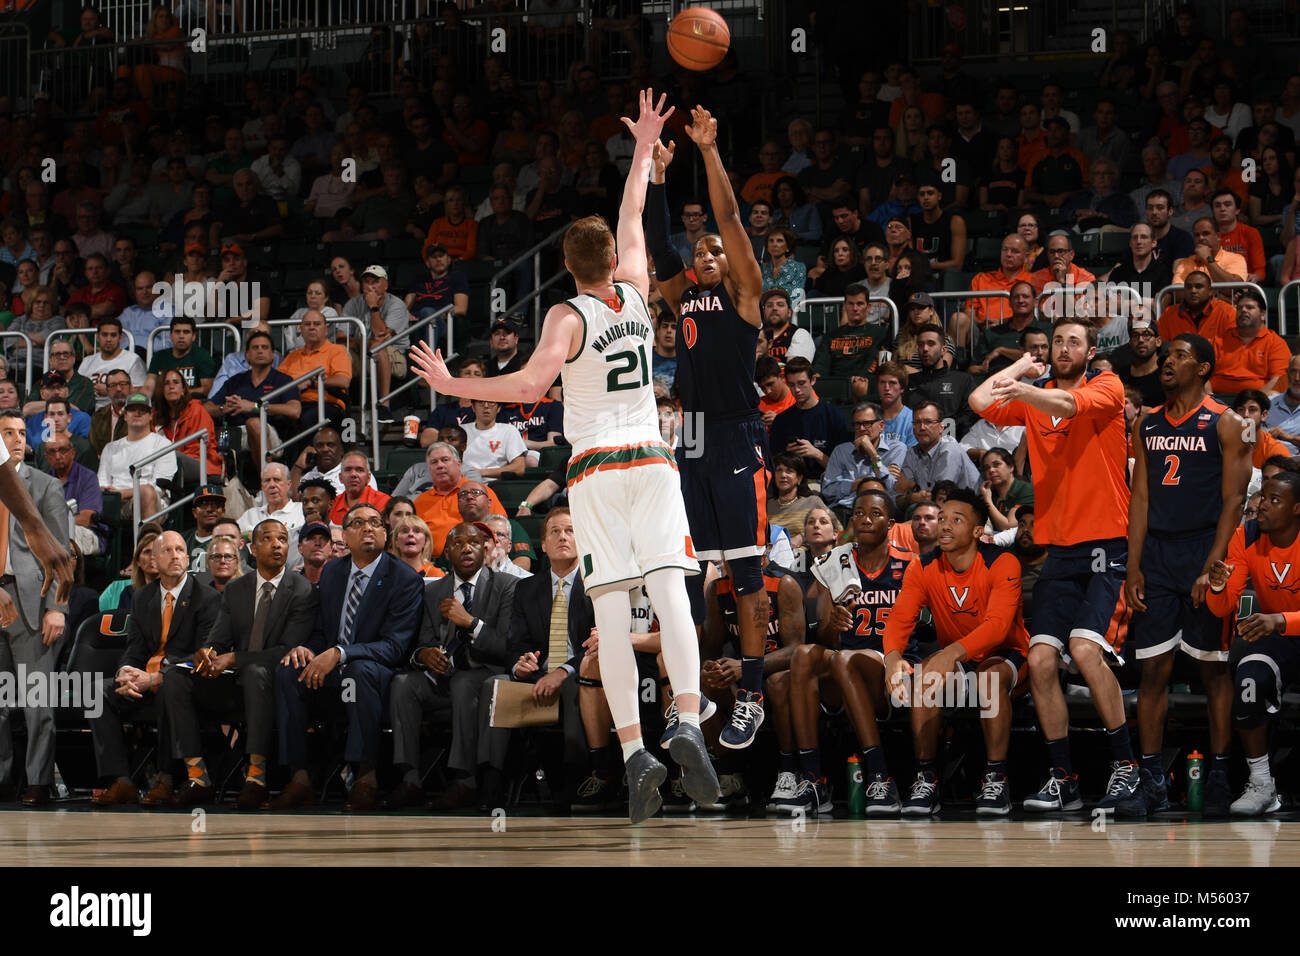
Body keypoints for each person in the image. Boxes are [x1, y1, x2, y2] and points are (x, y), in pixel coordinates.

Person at [411, 90, 720, 819]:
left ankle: (635, 748)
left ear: (564, 266)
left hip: (591, 472)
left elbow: (529, 382)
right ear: (612, 260)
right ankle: (686, 716)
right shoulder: (640, 295)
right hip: (650, 458)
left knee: (609, 610)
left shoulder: (564, 313)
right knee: (672, 590)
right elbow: (634, 218)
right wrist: (642, 149)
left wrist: (453, 380)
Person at [971, 319, 1139, 814]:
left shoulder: (1105, 386)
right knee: (1042, 661)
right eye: (1057, 342)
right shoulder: (1033, 391)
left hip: (1108, 545)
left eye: (1074, 342)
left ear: (1089, 352)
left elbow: (1065, 405)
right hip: (1059, 549)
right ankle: (1062, 777)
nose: (1065, 349)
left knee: (1085, 652)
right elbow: (980, 403)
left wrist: (1025, 386)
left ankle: (1126, 770)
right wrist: (1023, 365)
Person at [1126, 333, 1251, 816]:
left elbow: (1234, 501)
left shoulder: (1228, 423)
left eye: (1181, 356)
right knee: (1153, 669)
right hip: (1156, 553)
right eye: (1167, 355)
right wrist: (1134, 565)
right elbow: (1139, 499)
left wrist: (1212, 566)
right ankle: (1152, 780)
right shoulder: (1147, 422)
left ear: (1204, 368)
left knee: (1214, 668)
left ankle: (1219, 775)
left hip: (1205, 549)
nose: (1168, 362)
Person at [883, 488, 1031, 816]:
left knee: (989, 676)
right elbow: (899, 619)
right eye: (943, 518)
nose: (945, 526)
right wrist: (892, 659)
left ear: (978, 531)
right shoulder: (922, 567)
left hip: (1009, 656)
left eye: (957, 520)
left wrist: (948, 655)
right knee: (923, 677)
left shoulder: (1003, 562)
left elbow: (997, 627)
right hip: (963, 660)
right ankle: (926, 778)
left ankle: (996, 778)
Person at [269, 503, 424, 811]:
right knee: (288, 670)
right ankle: (299, 778)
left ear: (385, 533)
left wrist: (341, 653)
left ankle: (366, 777)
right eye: (358, 523)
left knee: (358, 673)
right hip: (332, 669)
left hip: (378, 671)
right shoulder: (333, 572)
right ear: (346, 535)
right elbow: (320, 631)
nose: (368, 528)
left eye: (375, 523)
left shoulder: (403, 578)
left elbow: (394, 647)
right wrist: (306, 649)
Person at [772, 490, 911, 814]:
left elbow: (924, 628)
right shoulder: (835, 561)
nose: (864, 519)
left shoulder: (909, 564)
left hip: (890, 670)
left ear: (890, 523)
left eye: (874, 514)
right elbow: (824, 636)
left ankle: (881, 777)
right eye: (858, 513)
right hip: (843, 667)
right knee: (805, 653)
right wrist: (832, 622)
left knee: (846, 659)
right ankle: (813, 781)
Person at [179, 519, 320, 810]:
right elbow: (219, 639)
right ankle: (196, 774)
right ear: (253, 549)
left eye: (282, 539)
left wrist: (235, 658)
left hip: (272, 679)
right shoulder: (236, 589)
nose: (277, 544)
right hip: (234, 678)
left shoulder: (303, 590)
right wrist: (207, 652)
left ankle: (256, 777)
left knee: (256, 672)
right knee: (174, 678)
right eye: (268, 539)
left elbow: (287, 650)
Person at [387, 521, 517, 810]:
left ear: (485, 549)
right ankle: (410, 779)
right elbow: (420, 643)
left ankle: (465, 780)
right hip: (440, 678)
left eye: (473, 542)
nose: (467, 548)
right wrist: (424, 655)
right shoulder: (433, 592)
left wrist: (471, 623)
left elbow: (507, 648)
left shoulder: (507, 586)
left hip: (484, 677)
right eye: (458, 544)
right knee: (403, 684)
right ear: (447, 552)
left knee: (464, 683)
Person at [89, 532, 223, 806]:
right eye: (167, 551)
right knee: (97, 691)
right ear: (153, 559)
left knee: (169, 684)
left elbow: (203, 652)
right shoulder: (142, 597)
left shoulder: (207, 598)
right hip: (144, 678)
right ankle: (121, 781)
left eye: (180, 550)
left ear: (188, 557)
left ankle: (165, 778)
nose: (175, 556)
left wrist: (155, 676)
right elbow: (135, 647)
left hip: (185, 681)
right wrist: (126, 672)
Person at [1205, 471, 1300, 815]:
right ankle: (1262, 783)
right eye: (1263, 497)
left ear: (1297, 509)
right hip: (1280, 637)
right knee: (1248, 680)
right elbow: (1223, 607)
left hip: (1283, 625)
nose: (1262, 505)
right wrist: (1217, 587)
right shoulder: (1246, 535)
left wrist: (1280, 620)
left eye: (1275, 500)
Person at [0, 410, 70, 806]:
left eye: (22, 432)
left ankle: (38, 782)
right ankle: (1, 780)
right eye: (7, 432)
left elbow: (61, 553)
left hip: (31, 601)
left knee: (36, 702)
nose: (16, 438)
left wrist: (56, 608)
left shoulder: (44, 485)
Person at [204, 331, 300, 472]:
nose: (260, 350)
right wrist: (223, 408)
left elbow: (294, 410)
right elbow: (207, 407)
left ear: (273, 355)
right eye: (255, 348)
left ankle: (267, 477)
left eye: (264, 347)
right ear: (247, 355)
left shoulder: (283, 380)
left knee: (254, 423)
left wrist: (254, 407)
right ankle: (219, 480)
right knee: (213, 435)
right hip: (236, 434)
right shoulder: (236, 381)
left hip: (270, 435)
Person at [412, 443, 507, 559]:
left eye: (445, 460)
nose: (440, 465)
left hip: (476, 560)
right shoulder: (420, 501)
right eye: (434, 462)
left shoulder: (482, 493)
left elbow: (501, 531)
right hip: (432, 565)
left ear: (459, 464)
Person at [769, 357, 851, 480]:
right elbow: (773, 464)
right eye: (792, 385)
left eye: (801, 383)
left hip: (825, 480)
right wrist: (787, 455)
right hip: (791, 483)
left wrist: (816, 454)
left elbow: (844, 469)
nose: (797, 390)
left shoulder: (834, 417)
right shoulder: (782, 420)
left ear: (812, 380)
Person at [97, 392, 176, 520]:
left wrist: (124, 493)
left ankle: (148, 539)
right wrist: (112, 494)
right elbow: (102, 483)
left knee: (146, 493)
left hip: (152, 502)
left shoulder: (163, 445)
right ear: (125, 416)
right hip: (115, 503)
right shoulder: (110, 448)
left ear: (151, 416)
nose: (137, 413)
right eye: (132, 410)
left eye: (143, 410)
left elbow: (159, 488)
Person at [811, 284, 892, 401]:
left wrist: (862, 380)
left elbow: (883, 364)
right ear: (844, 306)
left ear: (868, 307)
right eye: (850, 304)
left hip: (867, 385)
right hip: (836, 387)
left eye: (860, 304)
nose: (855, 308)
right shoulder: (831, 336)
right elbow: (821, 366)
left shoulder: (880, 333)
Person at [823, 402, 908, 509]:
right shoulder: (841, 451)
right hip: (844, 509)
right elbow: (828, 491)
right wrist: (862, 483)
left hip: (879, 509)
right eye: (857, 424)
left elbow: (891, 488)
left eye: (867, 423)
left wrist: (873, 453)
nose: (861, 428)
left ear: (881, 426)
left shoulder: (897, 449)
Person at [1205, 291, 1289, 397]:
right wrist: (1210, 399)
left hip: (1258, 403)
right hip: (1216, 400)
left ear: (1263, 314)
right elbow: (1203, 372)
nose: (1243, 310)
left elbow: (1279, 379)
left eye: (1249, 307)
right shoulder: (1219, 339)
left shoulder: (1275, 343)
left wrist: (1255, 401)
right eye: (1239, 308)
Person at [152, 368, 221, 483]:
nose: (171, 386)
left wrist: (168, 458)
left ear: (183, 389)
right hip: (168, 463)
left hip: (201, 463)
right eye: (166, 383)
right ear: (162, 390)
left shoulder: (196, 410)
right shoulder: (155, 416)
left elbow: (198, 448)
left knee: (167, 457)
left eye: (176, 382)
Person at [79, 317, 146, 409]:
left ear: (120, 338)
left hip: (122, 412)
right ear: (98, 337)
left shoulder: (132, 360)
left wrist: (110, 391)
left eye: (113, 335)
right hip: (89, 412)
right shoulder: (87, 361)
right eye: (104, 335)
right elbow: (78, 389)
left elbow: (142, 392)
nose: (108, 339)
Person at [328, 452, 390, 525]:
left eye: (359, 470)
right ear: (340, 478)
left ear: (368, 478)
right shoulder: (332, 505)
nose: (353, 474)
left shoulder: (383, 502)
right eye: (348, 470)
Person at [388, 513, 443, 579]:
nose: (410, 534)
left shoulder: (436, 575)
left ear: (425, 541)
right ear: (396, 541)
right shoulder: (386, 573)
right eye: (405, 531)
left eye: (417, 531)